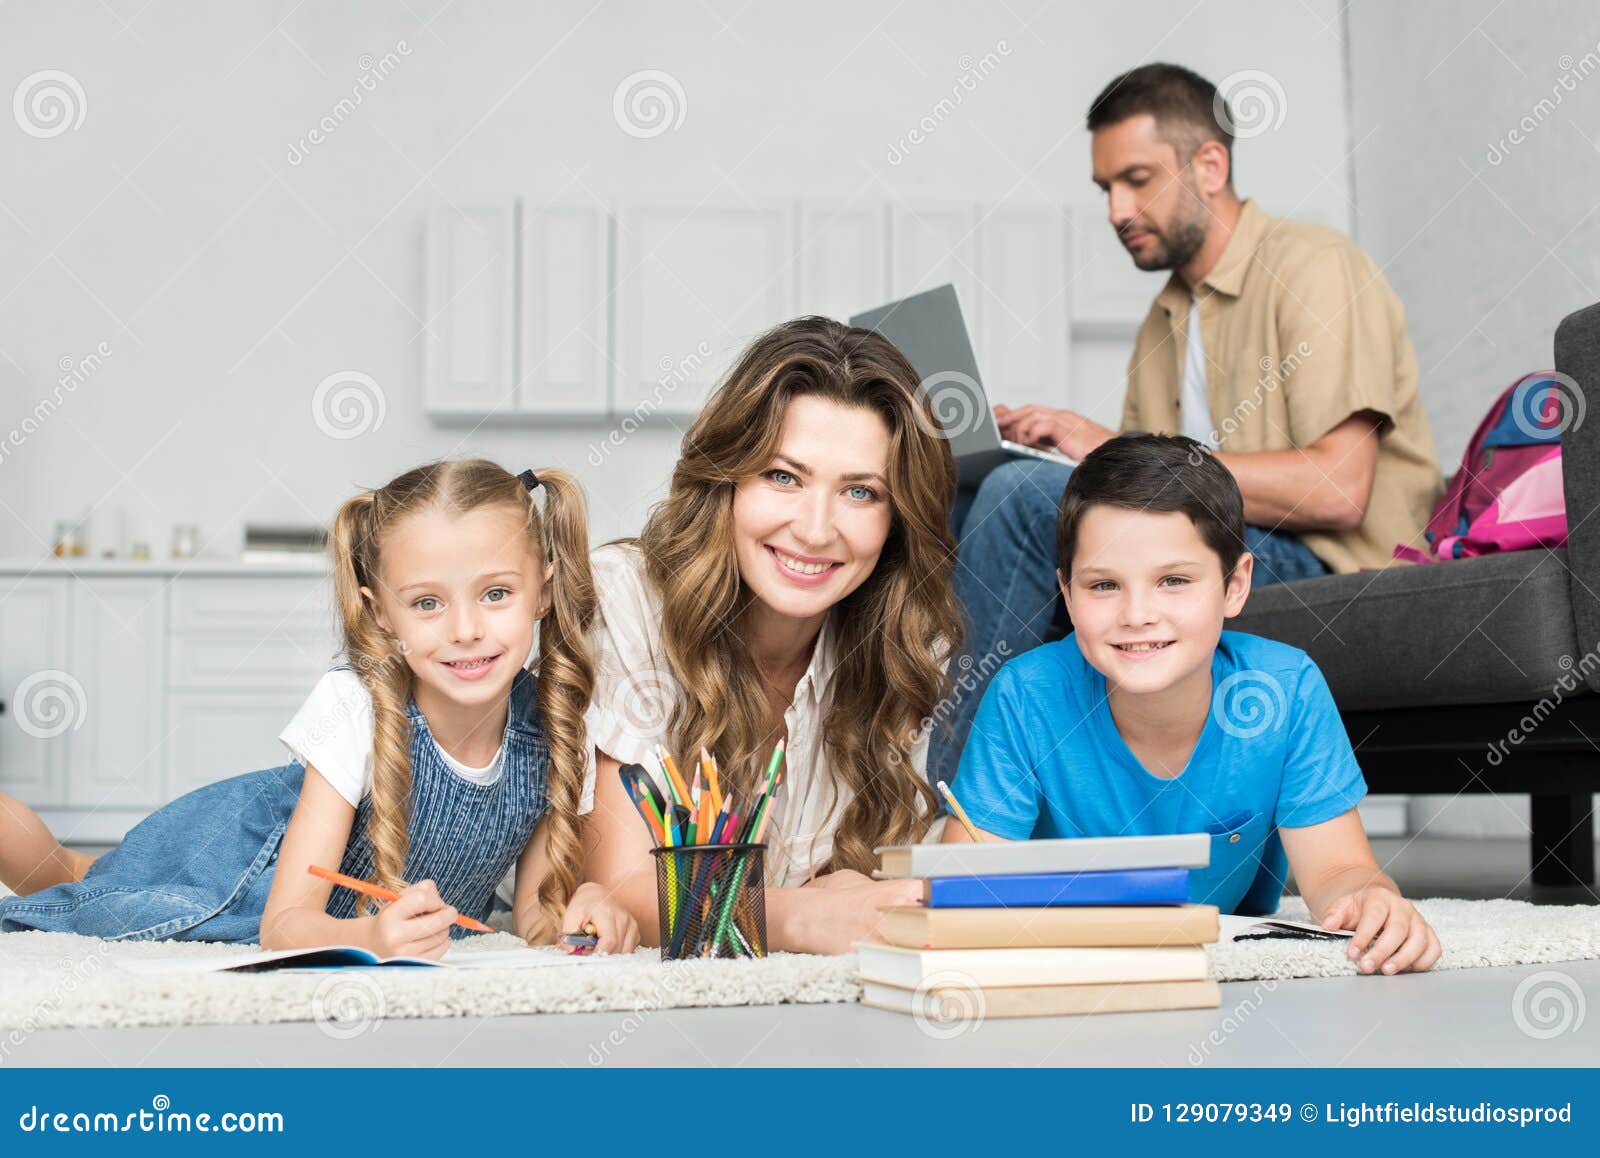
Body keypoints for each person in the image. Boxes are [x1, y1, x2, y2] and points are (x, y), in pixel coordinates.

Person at [934, 62, 1442, 783]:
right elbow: (1145, 490)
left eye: (1136, 180)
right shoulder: (1164, 320)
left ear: (1210, 165)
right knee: (969, 496)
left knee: (1020, 501)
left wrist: (1107, 449)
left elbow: (1338, 489)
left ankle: (953, 805)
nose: (1115, 209)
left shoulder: (1316, 266)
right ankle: (988, 784)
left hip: (1326, 550)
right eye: (1106, 188)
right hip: (1208, 534)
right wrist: (1054, 454)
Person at [0, 460, 639, 956]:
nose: (466, 628)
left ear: (545, 593)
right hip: (231, 864)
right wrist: (370, 941)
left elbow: (529, 919)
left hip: (298, 895)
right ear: (379, 612)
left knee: (85, 870)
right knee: (71, 876)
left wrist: (583, 909)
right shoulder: (355, 703)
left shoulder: (557, 721)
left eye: (496, 593)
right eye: (426, 603)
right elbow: (283, 924)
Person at [946, 434, 1441, 975]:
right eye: (1104, 585)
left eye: (1174, 581)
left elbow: (1338, 871)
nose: (1137, 614)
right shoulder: (1025, 695)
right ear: (1066, 594)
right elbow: (965, 878)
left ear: (1235, 585)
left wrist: (1370, 899)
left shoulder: (1286, 687)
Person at [581, 316, 965, 954]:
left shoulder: (906, 647)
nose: (815, 529)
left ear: (898, 520)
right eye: (783, 477)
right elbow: (622, 888)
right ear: (726, 479)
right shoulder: (626, 598)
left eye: (861, 492)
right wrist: (803, 918)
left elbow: (872, 884)